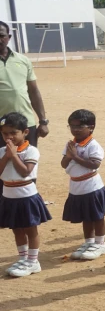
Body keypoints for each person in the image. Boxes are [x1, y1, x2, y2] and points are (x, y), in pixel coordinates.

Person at [63, 109, 105, 262]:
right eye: (72, 126)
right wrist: (69, 156)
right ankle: (89, 242)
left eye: (80, 126)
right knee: (85, 217)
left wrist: (75, 156)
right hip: (76, 187)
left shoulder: (93, 145)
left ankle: (100, 244)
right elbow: (63, 164)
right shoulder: (71, 144)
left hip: (91, 186)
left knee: (97, 216)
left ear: (91, 127)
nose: (75, 130)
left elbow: (94, 164)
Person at [1, 111, 52, 278]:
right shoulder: (2, 151)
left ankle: (33, 261)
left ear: (25, 132)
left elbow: (25, 172)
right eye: (5, 133)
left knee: (31, 229)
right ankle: (23, 258)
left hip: (26, 196)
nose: (9, 137)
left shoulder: (31, 151)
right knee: (16, 229)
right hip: (9, 195)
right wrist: (6, 155)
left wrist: (13, 156)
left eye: (13, 133)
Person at [1, 22, 52, 150]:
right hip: (2, 126)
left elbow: (33, 91)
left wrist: (43, 121)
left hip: (25, 123)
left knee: (28, 159)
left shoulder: (23, 60)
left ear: (9, 37)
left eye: (1, 36)